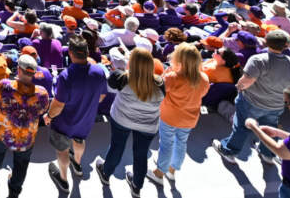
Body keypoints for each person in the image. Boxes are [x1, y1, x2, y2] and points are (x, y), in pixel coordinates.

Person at [214, 29, 290, 166]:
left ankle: (229, 152)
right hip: (276, 105)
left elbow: (246, 82)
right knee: (270, 129)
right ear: (286, 46)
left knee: (241, 126)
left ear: (266, 42)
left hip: (251, 102)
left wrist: (239, 87)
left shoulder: (258, 60)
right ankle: (268, 155)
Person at [94, 47, 164, 196]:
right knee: (141, 154)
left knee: (116, 147)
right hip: (148, 125)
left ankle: (106, 174)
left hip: (122, 120)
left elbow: (108, 87)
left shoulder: (121, 78)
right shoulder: (160, 83)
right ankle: (136, 187)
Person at [0, 54, 50, 198]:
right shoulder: (42, 93)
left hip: (2, 133)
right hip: (26, 138)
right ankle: (15, 189)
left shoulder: (4, 85)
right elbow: (43, 110)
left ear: (18, 69)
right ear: (33, 73)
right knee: (21, 164)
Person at [45, 36, 108, 192]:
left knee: (63, 150)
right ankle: (78, 165)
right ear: (87, 52)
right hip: (86, 119)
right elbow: (101, 97)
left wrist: (49, 116)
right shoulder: (99, 72)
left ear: (71, 54)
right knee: (79, 140)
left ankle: (63, 180)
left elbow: (58, 105)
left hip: (64, 122)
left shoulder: (65, 76)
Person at [151, 42, 210, 184]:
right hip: (189, 119)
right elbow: (202, 93)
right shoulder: (203, 78)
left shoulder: (172, 77)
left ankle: (159, 173)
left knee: (166, 144)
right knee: (181, 143)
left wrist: (166, 74)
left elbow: (157, 91)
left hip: (169, 117)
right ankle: (172, 171)